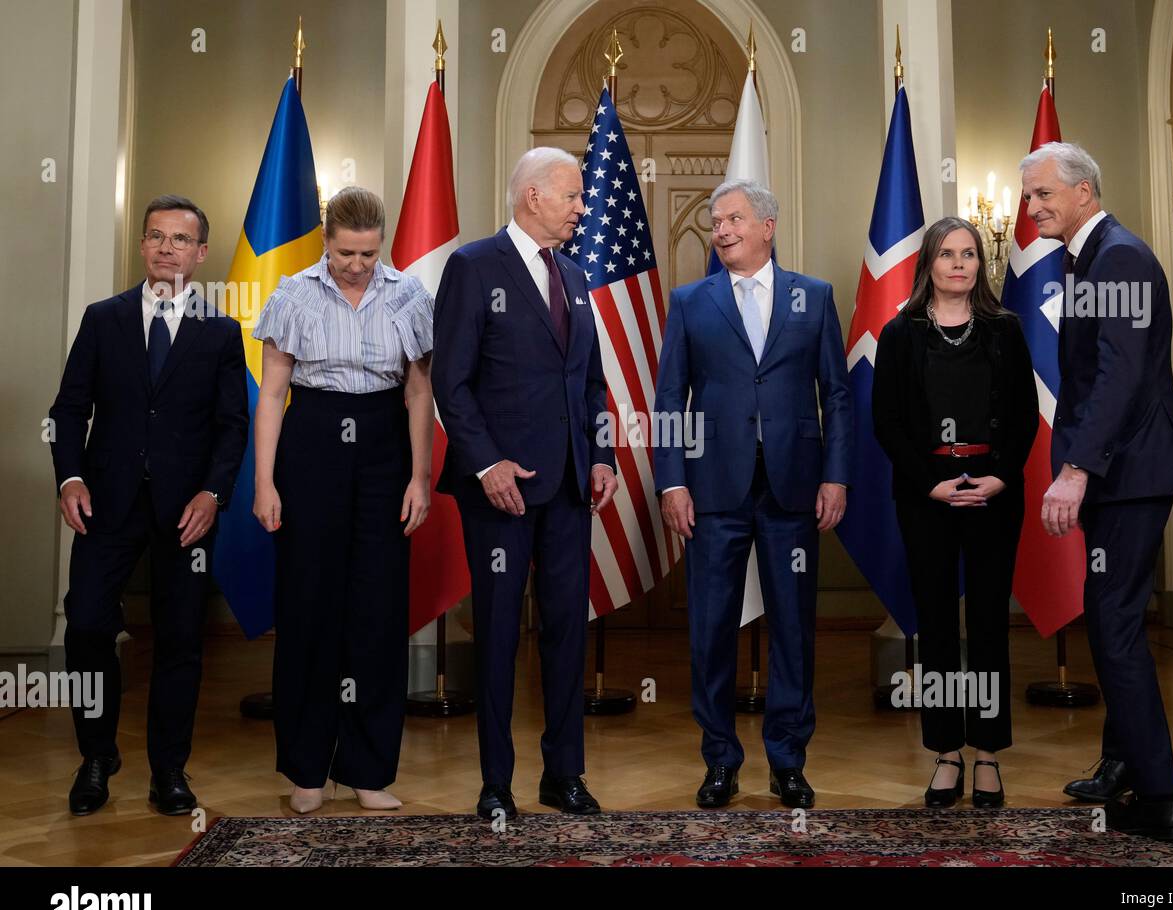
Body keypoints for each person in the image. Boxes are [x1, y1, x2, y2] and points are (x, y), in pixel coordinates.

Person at [431, 147, 618, 820]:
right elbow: (450, 382)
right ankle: (496, 782)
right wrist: (486, 463)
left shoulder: (573, 274)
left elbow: (589, 380)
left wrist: (602, 456)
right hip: (501, 494)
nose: (580, 207)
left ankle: (563, 774)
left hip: (571, 489)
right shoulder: (473, 267)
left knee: (568, 630)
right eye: (570, 196)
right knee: (501, 633)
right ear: (532, 196)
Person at [653, 179, 852, 810]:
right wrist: (673, 479)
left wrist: (836, 474)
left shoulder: (814, 298)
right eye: (715, 222)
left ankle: (788, 761)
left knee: (793, 627)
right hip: (712, 491)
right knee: (711, 627)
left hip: (793, 489)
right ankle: (720, 759)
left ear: (768, 226)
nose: (721, 230)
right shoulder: (690, 302)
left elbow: (838, 395)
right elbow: (668, 400)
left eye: (734, 219)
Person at [1023, 142, 1173, 841]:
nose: (1032, 207)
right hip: (1119, 471)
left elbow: (1119, 377)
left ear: (1085, 192)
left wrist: (1075, 470)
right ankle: (1120, 765)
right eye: (1030, 196)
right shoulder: (1091, 255)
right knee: (1112, 620)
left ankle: (1161, 800)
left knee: (1114, 625)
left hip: (1129, 474)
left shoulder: (1118, 255)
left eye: (1044, 194)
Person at [50, 194, 249, 816]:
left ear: (201, 253)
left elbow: (232, 426)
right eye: (157, 238)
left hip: (185, 513)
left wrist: (213, 494)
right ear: (141, 246)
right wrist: (70, 479)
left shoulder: (220, 331)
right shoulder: (101, 319)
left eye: (181, 240)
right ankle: (95, 756)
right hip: (105, 505)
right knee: (86, 624)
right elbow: (67, 411)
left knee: (182, 639)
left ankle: (169, 768)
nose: (168, 249)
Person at [252, 186, 434, 814]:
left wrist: (419, 476)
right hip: (312, 443)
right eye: (346, 252)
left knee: (377, 611)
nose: (357, 265)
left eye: (368, 253)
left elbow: (418, 393)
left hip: (386, 446)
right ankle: (306, 770)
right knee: (309, 606)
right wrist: (264, 482)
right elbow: (273, 394)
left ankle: (368, 769)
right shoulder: (294, 293)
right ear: (325, 240)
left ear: (381, 243)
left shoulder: (409, 293)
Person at [872, 217, 1039, 809]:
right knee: (938, 627)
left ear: (979, 264)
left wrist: (1002, 476)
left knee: (989, 624)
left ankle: (989, 753)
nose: (961, 263)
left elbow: (1024, 417)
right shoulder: (900, 334)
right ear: (930, 265)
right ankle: (946, 752)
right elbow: (886, 423)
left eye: (969, 254)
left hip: (995, 490)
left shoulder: (1005, 330)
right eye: (948, 254)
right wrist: (932, 486)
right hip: (927, 495)